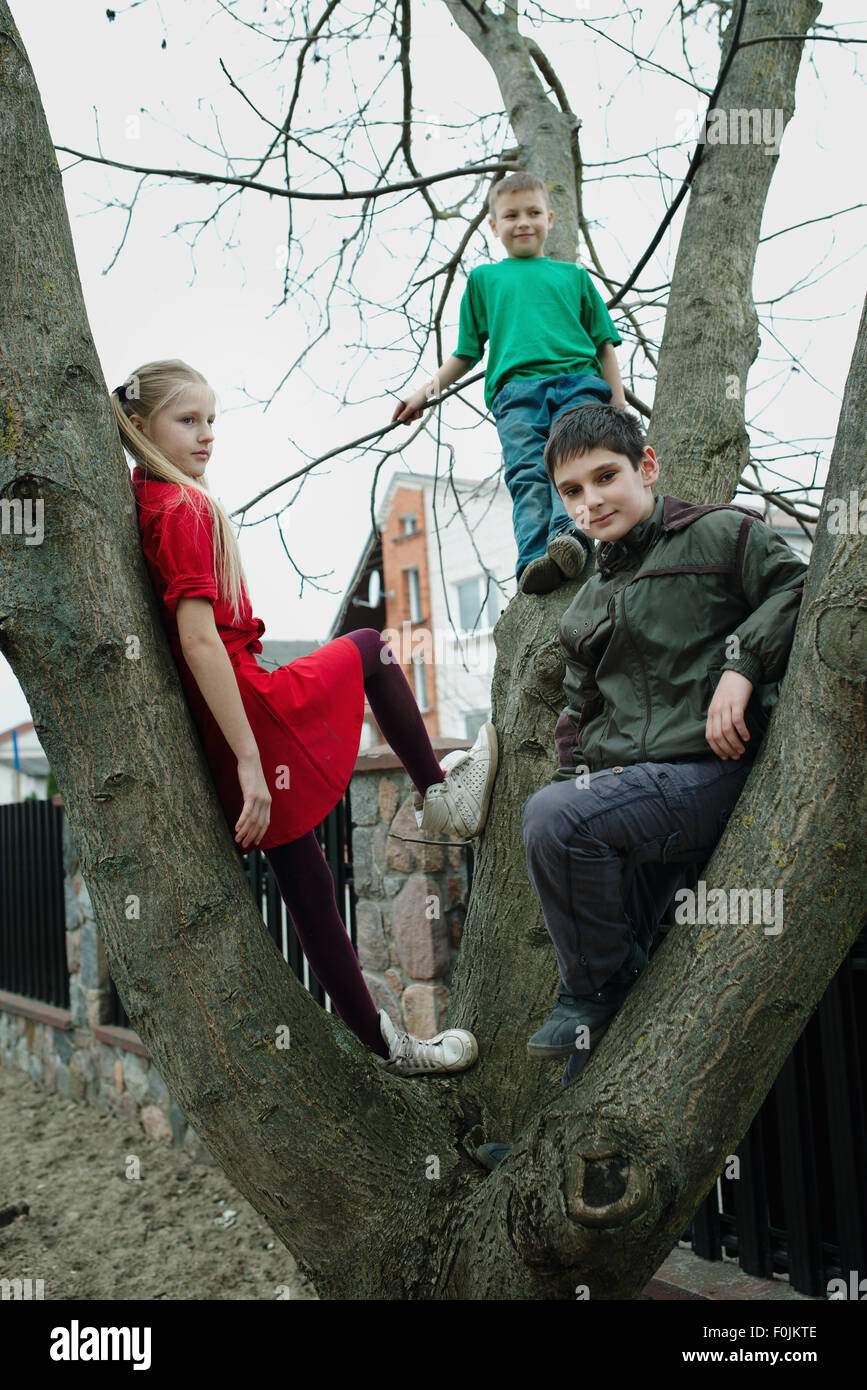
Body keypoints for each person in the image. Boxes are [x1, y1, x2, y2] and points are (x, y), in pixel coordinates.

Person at [112, 359, 498, 1076]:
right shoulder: (185, 509)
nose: (205, 435)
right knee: (372, 646)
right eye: (186, 420)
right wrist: (253, 762)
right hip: (250, 707)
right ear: (140, 426)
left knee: (308, 884)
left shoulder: (148, 501)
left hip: (226, 721)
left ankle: (387, 1047)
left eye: (211, 420)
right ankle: (438, 795)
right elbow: (200, 640)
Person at [476, 403, 807, 1170]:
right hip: (627, 807)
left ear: (646, 467)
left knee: (559, 828)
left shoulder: (723, 535)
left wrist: (741, 663)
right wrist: (568, 808)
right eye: (570, 490)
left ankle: (596, 984)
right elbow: (575, 722)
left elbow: (799, 590)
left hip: (709, 776)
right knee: (605, 1011)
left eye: (606, 477)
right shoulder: (587, 601)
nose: (590, 500)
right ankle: (557, 1162)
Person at [392, 171, 627, 595]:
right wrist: (421, 395)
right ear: (493, 225)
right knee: (527, 472)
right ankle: (536, 559)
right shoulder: (485, 280)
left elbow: (605, 346)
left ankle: (570, 537)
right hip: (517, 394)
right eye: (511, 215)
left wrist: (621, 409)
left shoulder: (574, 277)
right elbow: (465, 354)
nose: (523, 222)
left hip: (578, 385)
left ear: (550, 219)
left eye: (533, 213)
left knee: (576, 465)